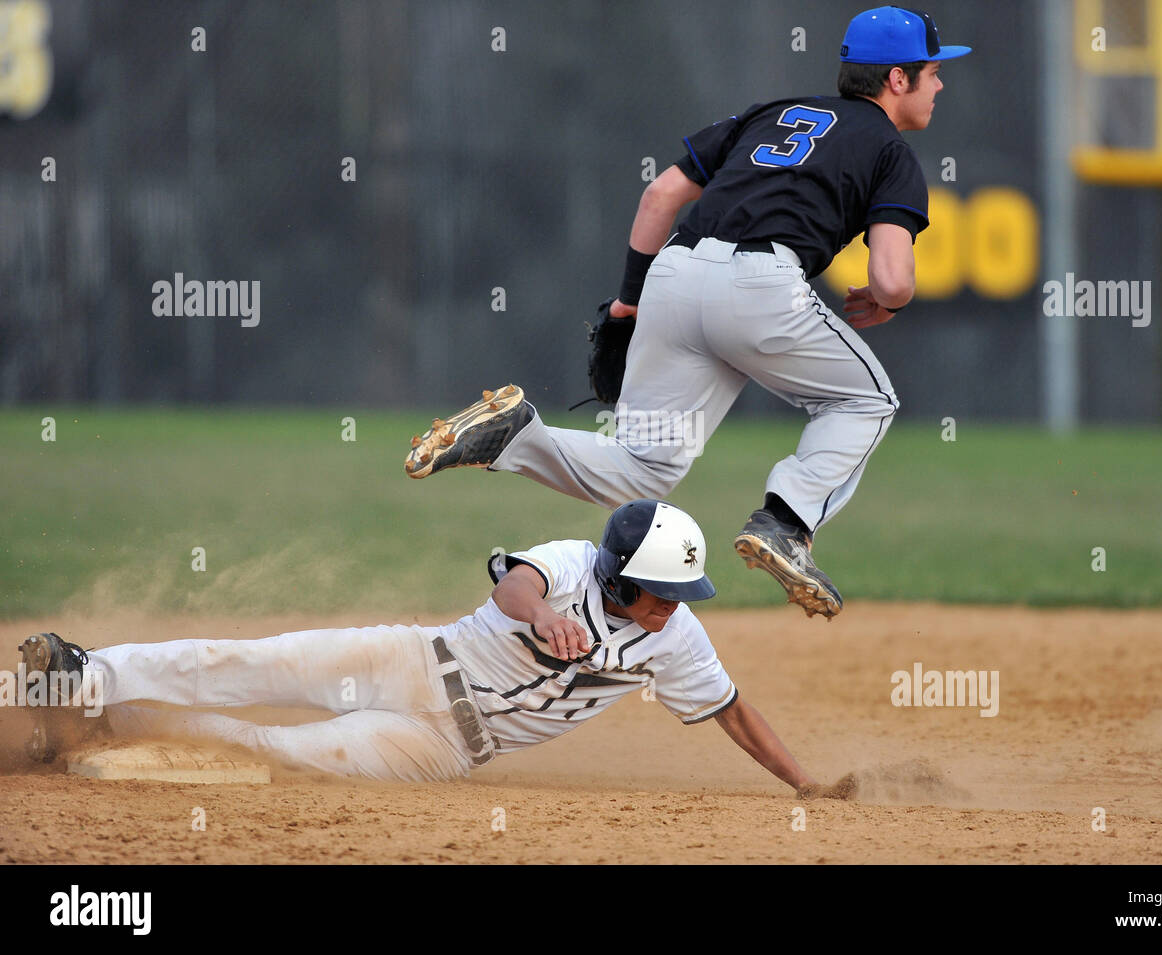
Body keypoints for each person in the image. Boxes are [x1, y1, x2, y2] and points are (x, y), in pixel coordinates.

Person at [404, 7, 970, 620]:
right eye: (933, 72)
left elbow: (661, 195)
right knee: (866, 400)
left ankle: (514, 434)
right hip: (762, 284)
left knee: (640, 467)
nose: (940, 86)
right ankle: (786, 524)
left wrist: (628, 301)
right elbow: (892, 276)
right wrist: (886, 300)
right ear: (896, 78)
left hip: (674, 272)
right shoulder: (892, 151)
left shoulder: (769, 114)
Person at [17, 500, 855, 799]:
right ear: (619, 576)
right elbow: (512, 585)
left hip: (442, 745)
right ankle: (82, 676)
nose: (675, 610)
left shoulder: (679, 644)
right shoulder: (567, 566)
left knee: (274, 753)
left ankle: (110, 724)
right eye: (663, 594)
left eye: (683, 597)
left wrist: (806, 783)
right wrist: (541, 619)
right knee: (251, 662)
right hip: (412, 660)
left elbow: (733, 710)